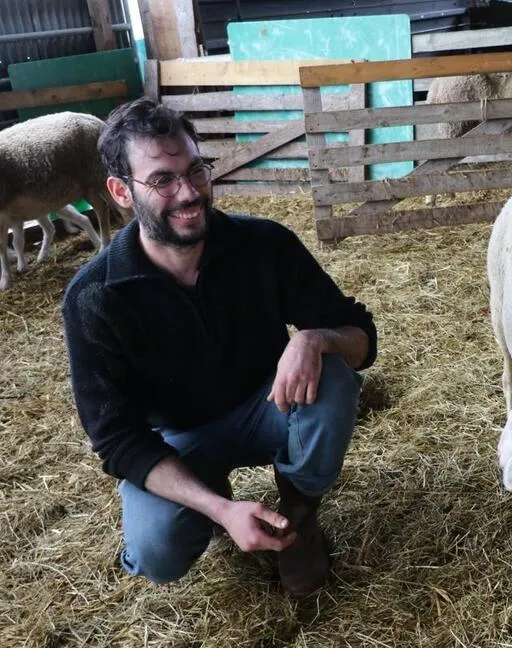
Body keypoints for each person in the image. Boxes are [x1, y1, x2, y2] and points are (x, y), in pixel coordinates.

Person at [61, 97, 377, 597]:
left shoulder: (264, 244)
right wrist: (220, 510)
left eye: (197, 171)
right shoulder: (94, 297)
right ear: (122, 192)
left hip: (270, 404)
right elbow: (118, 440)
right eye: (163, 179)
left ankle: (294, 520)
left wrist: (316, 339)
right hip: (179, 440)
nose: (189, 193)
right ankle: (214, 501)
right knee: (156, 553)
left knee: (332, 372)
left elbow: (361, 337)